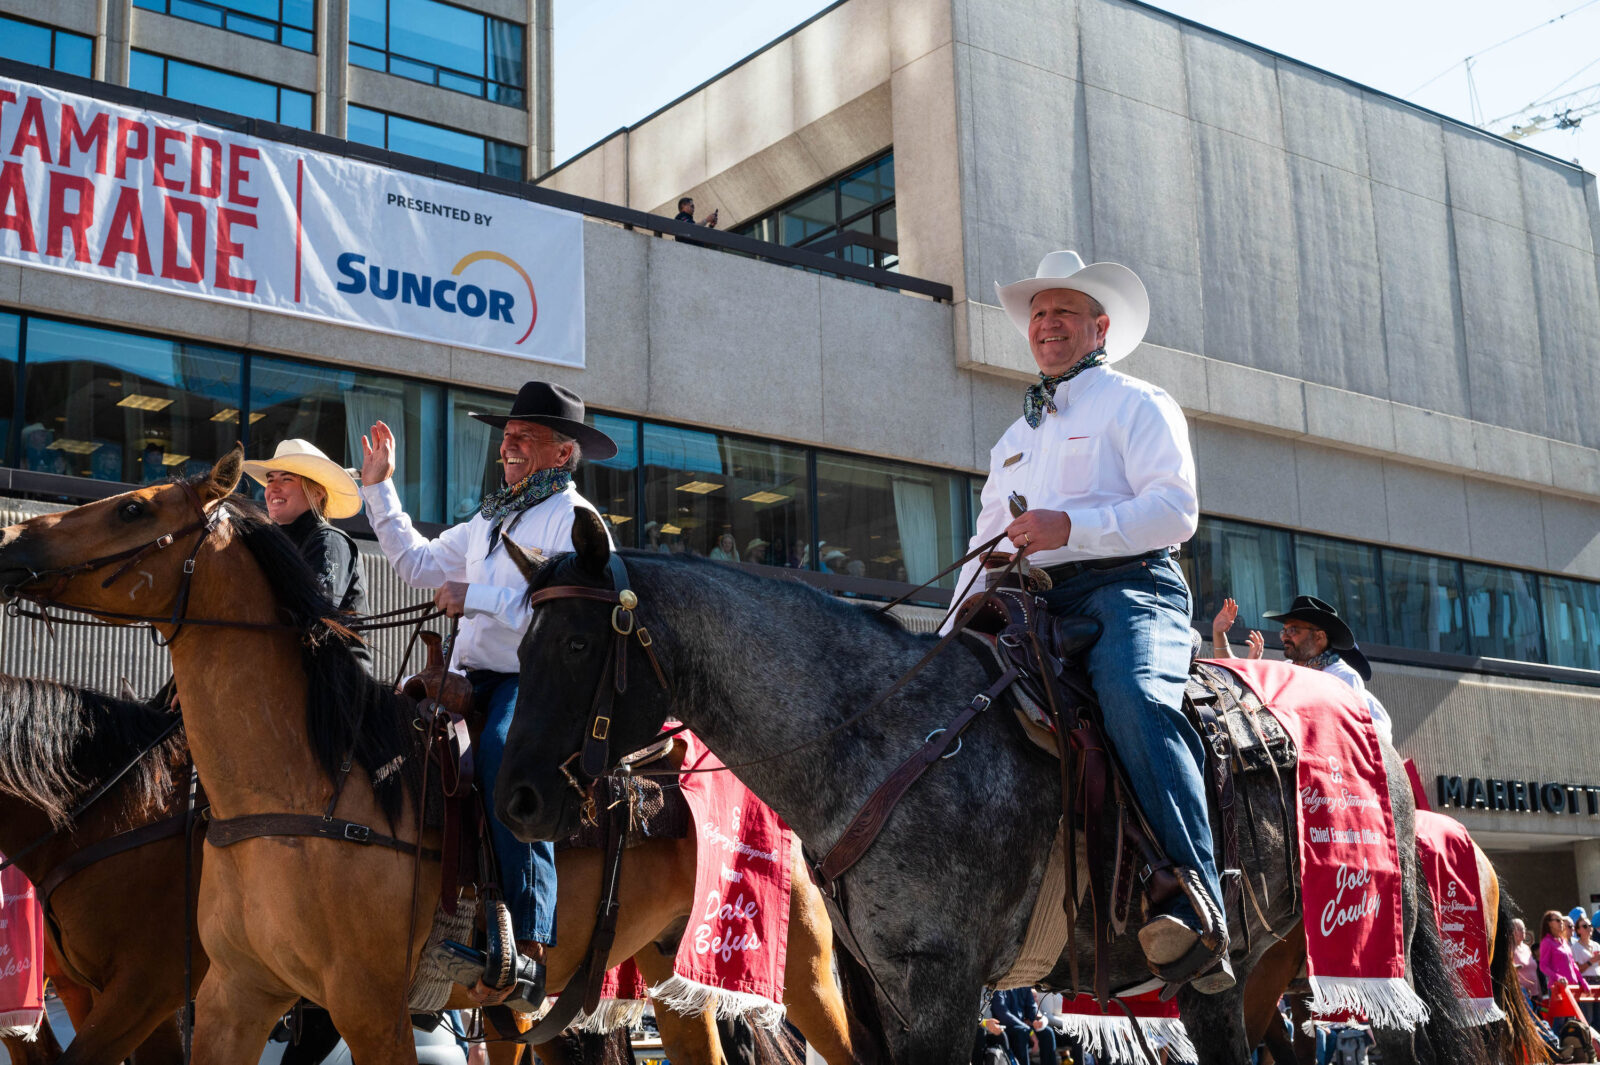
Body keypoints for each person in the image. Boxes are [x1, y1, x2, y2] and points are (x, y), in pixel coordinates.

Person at [949, 250, 1228, 991]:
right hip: (1033, 602)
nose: (1047, 324)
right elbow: (984, 544)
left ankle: (1199, 900)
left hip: (1131, 589)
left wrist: (1068, 525)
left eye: (1063, 313)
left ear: (1098, 328)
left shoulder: (1140, 403)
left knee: (1134, 696)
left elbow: (1175, 510)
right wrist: (947, 638)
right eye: (1038, 314)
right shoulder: (1012, 439)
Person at [359, 380, 617, 1001]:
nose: (509, 446)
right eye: (507, 436)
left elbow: (568, 620)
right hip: (466, 677)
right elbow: (417, 564)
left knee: (507, 758)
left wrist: (477, 596)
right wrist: (377, 487)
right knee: (381, 734)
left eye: (525, 437)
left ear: (563, 453)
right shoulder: (489, 518)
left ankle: (529, 947)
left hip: (534, 681)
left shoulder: (577, 521)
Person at [242, 440, 369, 669]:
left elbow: (313, 616)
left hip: (334, 681)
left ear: (318, 492)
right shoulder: (272, 543)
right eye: (271, 480)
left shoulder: (329, 541)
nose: (273, 488)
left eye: (286, 479)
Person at [1217, 595, 1394, 746]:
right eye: (1284, 630)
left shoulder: (1342, 676)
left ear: (1319, 636)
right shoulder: (1286, 669)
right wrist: (1219, 634)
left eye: (1293, 630)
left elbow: (1341, 735)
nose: (1285, 636)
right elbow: (1234, 676)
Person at [990, 986, 1058, 1065]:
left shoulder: (1024, 985)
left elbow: (1032, 1008)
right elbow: (1003, 1014)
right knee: (1021, 1033)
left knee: (1047, 1032)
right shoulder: (998, 986)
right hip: (1005, 1028)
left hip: (1023, 1026)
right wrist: (1029, 1031)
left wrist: (1039, 1020)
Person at [1540, 908, 1591, 1000]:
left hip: (1572, 987)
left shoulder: (1564, 941)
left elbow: (1573, 964)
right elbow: (1543, 966)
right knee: (1563, 1015)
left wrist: (1583, 981)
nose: (1561, 923)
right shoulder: (1546, 942)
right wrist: (1558, 977)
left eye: (1562, 920)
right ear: (1549, 923)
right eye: (1558, 920)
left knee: (1575, 1015)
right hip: (1558, 988)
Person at [1514, 918, 1541, 997]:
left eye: (1523, 928)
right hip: (1522, 995)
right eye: (1519, 929)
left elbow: (1534, 971)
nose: (1523, 931)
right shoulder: (1510, 949)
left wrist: (1539, 991)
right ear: (1512, 931)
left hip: (1535, 993)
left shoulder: (1526, 948)